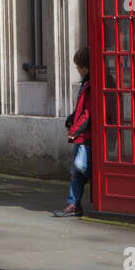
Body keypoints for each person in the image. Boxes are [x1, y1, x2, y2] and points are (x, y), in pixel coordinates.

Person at [53, 47, 94, 217]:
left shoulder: (91, 84)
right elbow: (81, 109)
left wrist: (74, 131)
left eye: (78, 66)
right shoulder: (86, 82)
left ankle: (99, 180)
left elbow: (88, 113)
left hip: (87, 135)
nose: (76, 69)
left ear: (84, 66)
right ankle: (73, 204)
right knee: (76, 170)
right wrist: (71, 118)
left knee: (79, 167)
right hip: (83, 134)